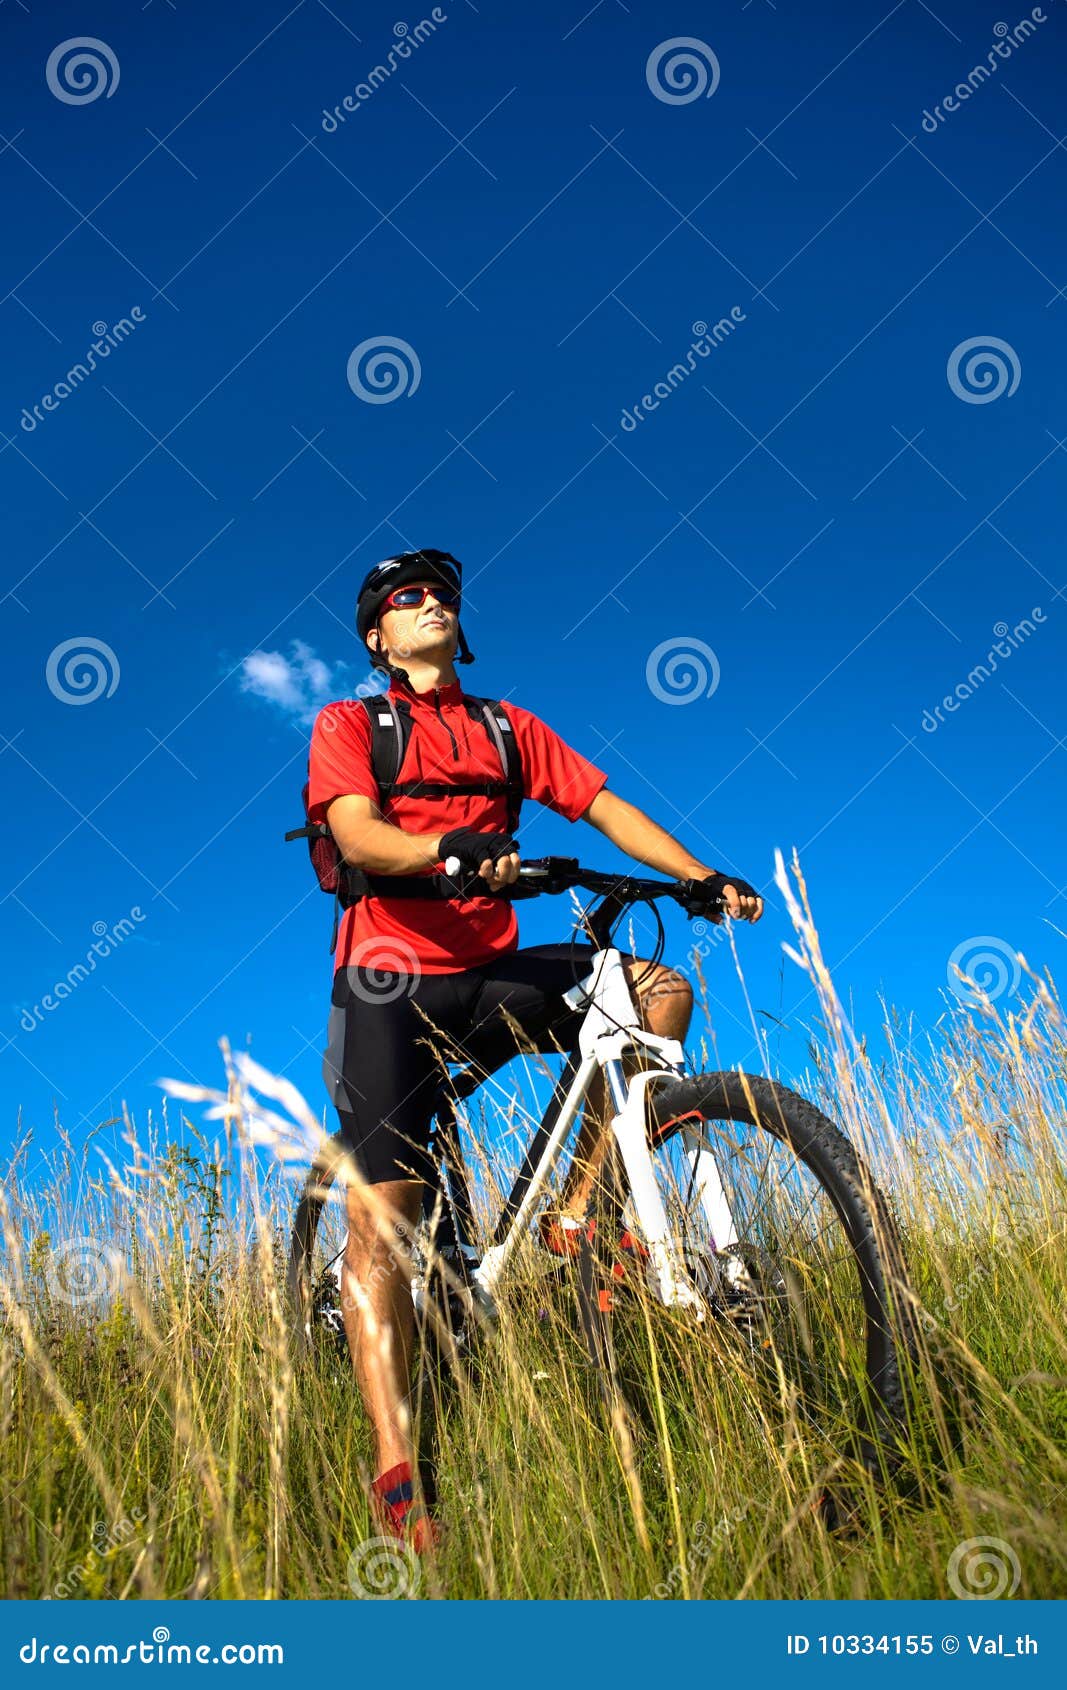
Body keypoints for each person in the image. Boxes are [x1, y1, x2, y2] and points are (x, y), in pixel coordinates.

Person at [306, 547, 762, 1551]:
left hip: (493, 975)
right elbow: (357, 833)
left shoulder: (508, 728)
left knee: (653, 989)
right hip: (388, 976)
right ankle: (397, 1469)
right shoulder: (350, 724)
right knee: (387, 1215)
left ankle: (574, 1214)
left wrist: (696, 876)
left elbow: (600, 806)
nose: (430, 604)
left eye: (441, 594)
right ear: (379, 635)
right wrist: (448, 852)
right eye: (405, 598)